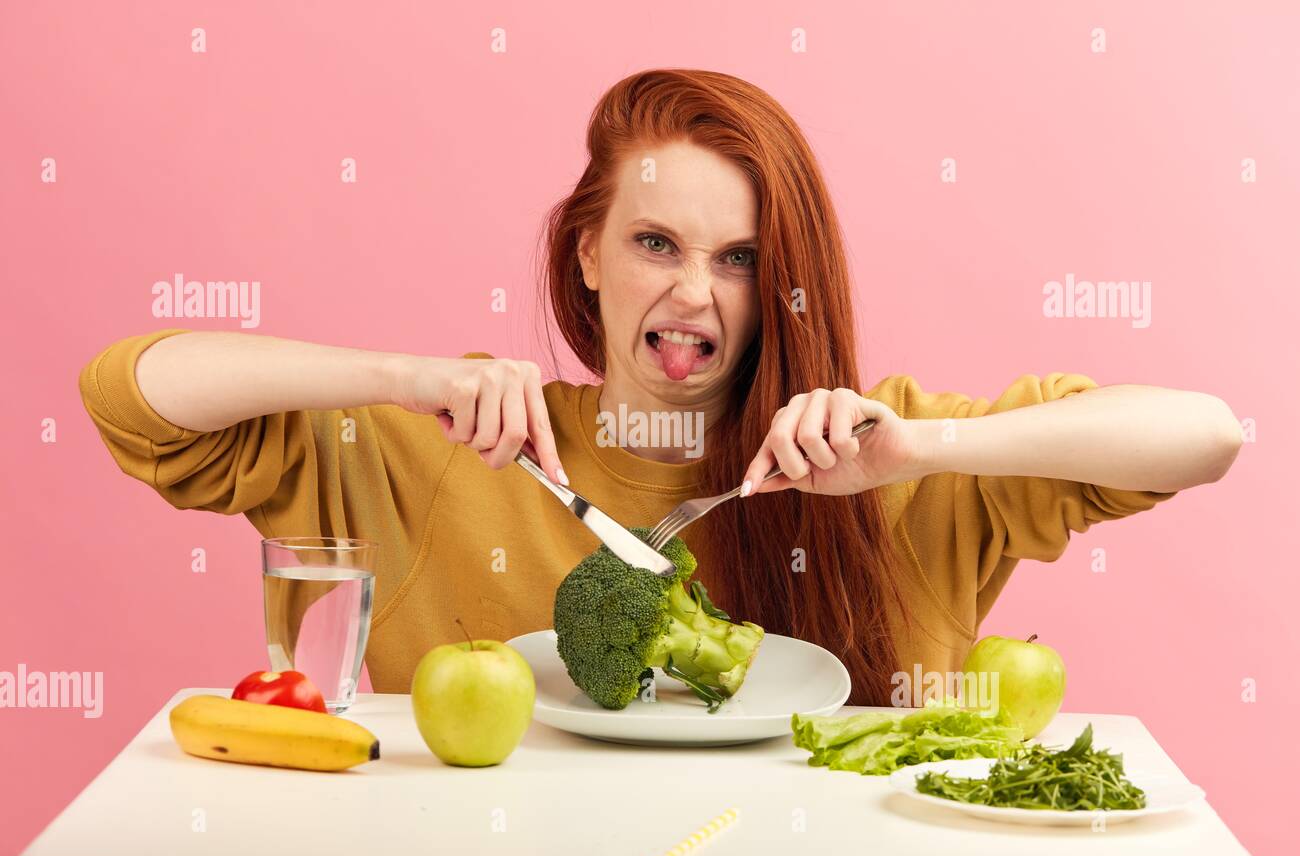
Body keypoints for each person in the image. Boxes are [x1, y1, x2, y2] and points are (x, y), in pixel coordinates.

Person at [78, 69, 1242, 706]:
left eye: (738, 259)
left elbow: (1202, 436)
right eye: (654, 244)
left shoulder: (890, 453)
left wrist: (923, 453)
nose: (693, 294)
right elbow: (133, 392)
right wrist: (401, 372)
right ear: (585, 253)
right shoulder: (441, 447)